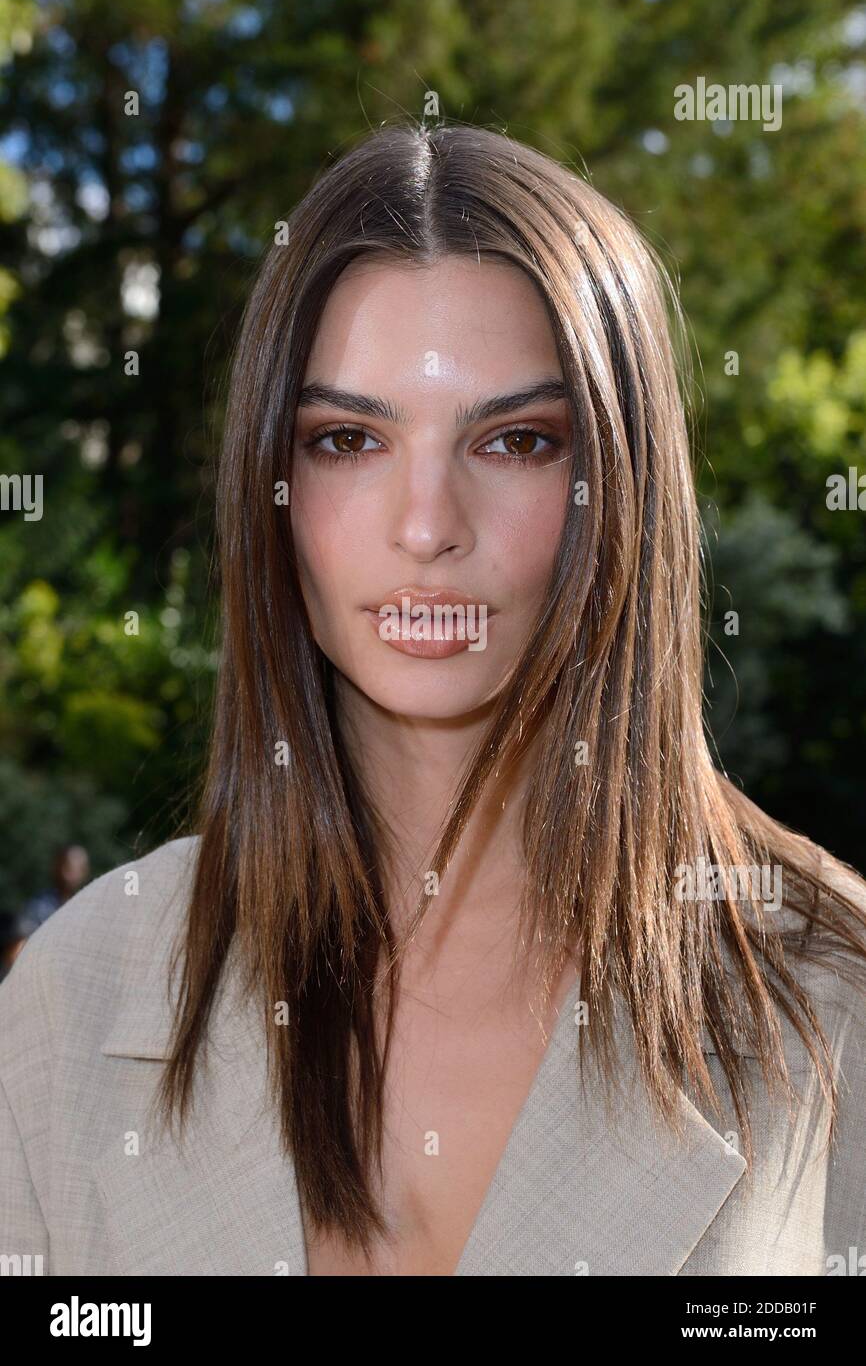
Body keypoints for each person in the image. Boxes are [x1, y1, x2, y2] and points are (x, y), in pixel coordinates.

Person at [1, 121, 865, 1278]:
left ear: (617, 483)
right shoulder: (77, 990)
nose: (424, 526)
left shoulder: (831, 991)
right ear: (271, 485)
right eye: (346, 438)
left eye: (513, 439)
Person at [0, 845, 90, 978]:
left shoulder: (89, 910)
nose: (69, 874)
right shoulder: (38, 908)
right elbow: (16, 952)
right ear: (55, 868)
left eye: (75, 868)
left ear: (84, 871)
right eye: (66, 866)